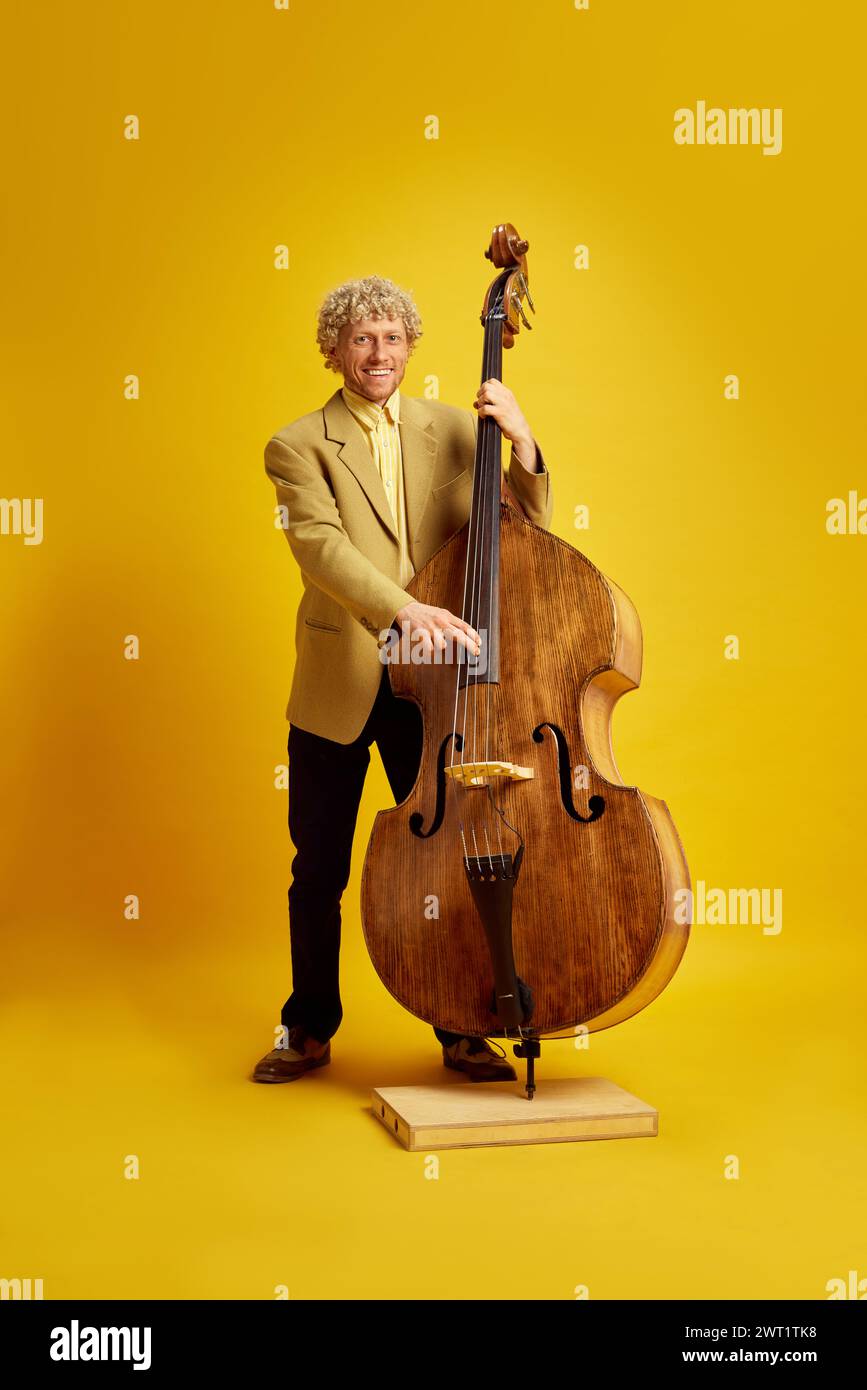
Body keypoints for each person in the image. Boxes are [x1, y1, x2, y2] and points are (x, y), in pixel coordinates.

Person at [251, 274, 553, 1084]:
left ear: (410, 345)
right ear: (334, 351)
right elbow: (318, 546)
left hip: (439, 689)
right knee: (317, 867)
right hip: (340, 679)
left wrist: (522, 444)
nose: (377, 353)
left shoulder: (459, 430)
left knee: (453, 856)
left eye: (390, 337)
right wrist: (401, 611)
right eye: (360, 339)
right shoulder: (297, 443)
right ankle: (308, 1025)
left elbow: (525, 523)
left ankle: (461, 1025)